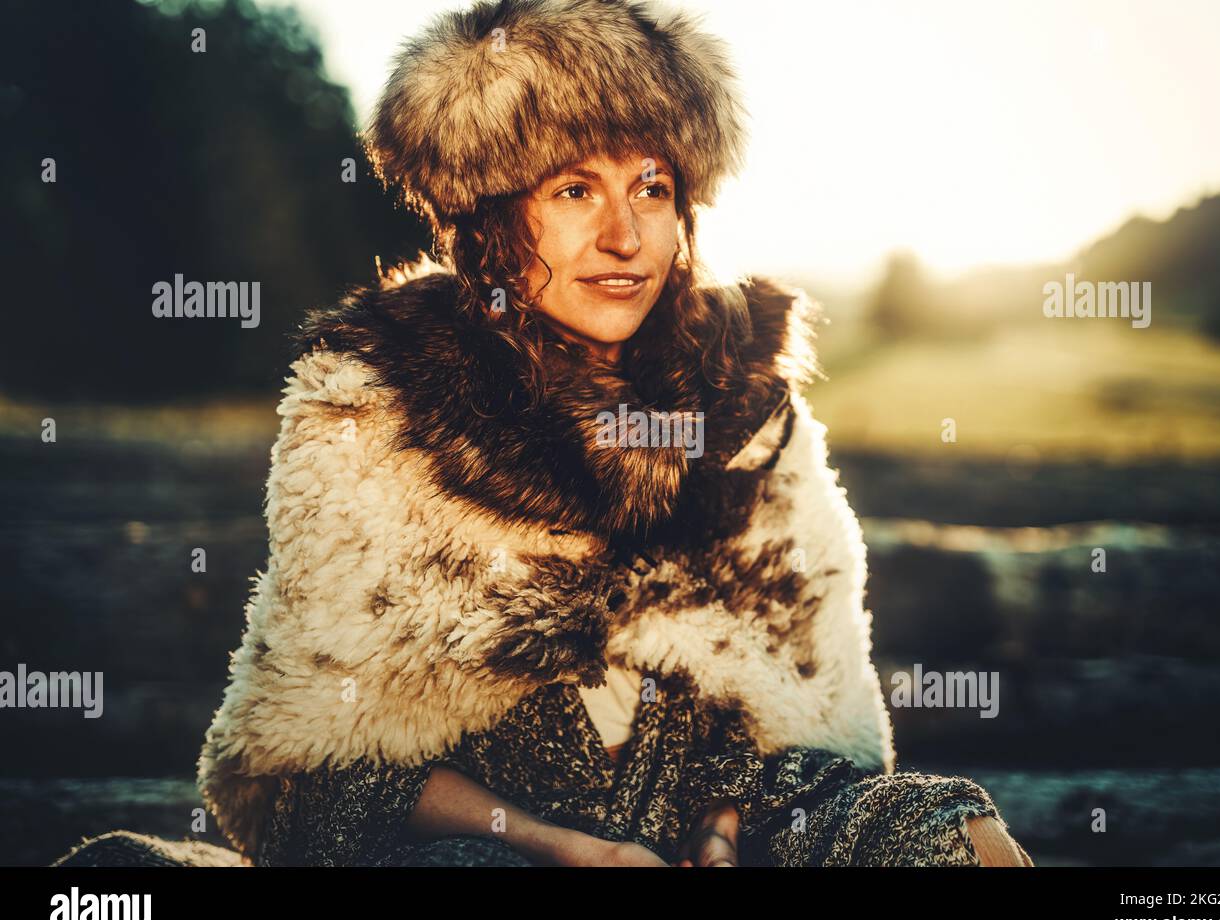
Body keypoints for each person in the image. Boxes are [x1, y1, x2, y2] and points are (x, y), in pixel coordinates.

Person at [54, 0, 1031, 869]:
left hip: (738, 833)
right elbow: (319, 771)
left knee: (950, 838)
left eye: (651, 187)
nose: (623, 236)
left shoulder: (743, 400)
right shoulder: (372, 402)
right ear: (492, 218)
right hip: (473, 844)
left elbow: (795, 712)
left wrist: (724, 827)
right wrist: (556, 844)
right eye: (573, 190)